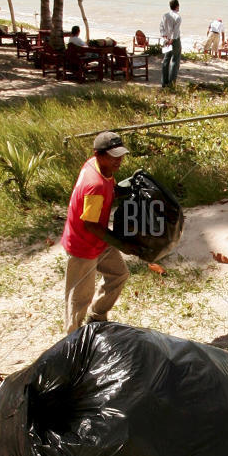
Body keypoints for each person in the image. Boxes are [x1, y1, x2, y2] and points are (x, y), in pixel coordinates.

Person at [60, 130, 139, 334]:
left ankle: (97, 317)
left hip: (99, 240)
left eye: (121, 154)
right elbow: (90, 225)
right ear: (99, 155)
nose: (119, 160)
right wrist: (121, 244)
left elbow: (107, 189)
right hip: (83, 245)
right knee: (79, 298)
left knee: (119, 274)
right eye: (114, 156)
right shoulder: (94, 185)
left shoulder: (95, 165)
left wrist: (120, 191)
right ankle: (72, 340)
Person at [160, 0, 181, 89]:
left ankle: (164, 82)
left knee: (166, 60)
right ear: (177, 6)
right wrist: (171, 40)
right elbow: (175, 31)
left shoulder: (165, 15)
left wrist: (165, 37)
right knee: (175, 60)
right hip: (174, 40)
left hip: (166, 39)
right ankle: (171, 83)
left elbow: (161, 27)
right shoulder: (177, 17)